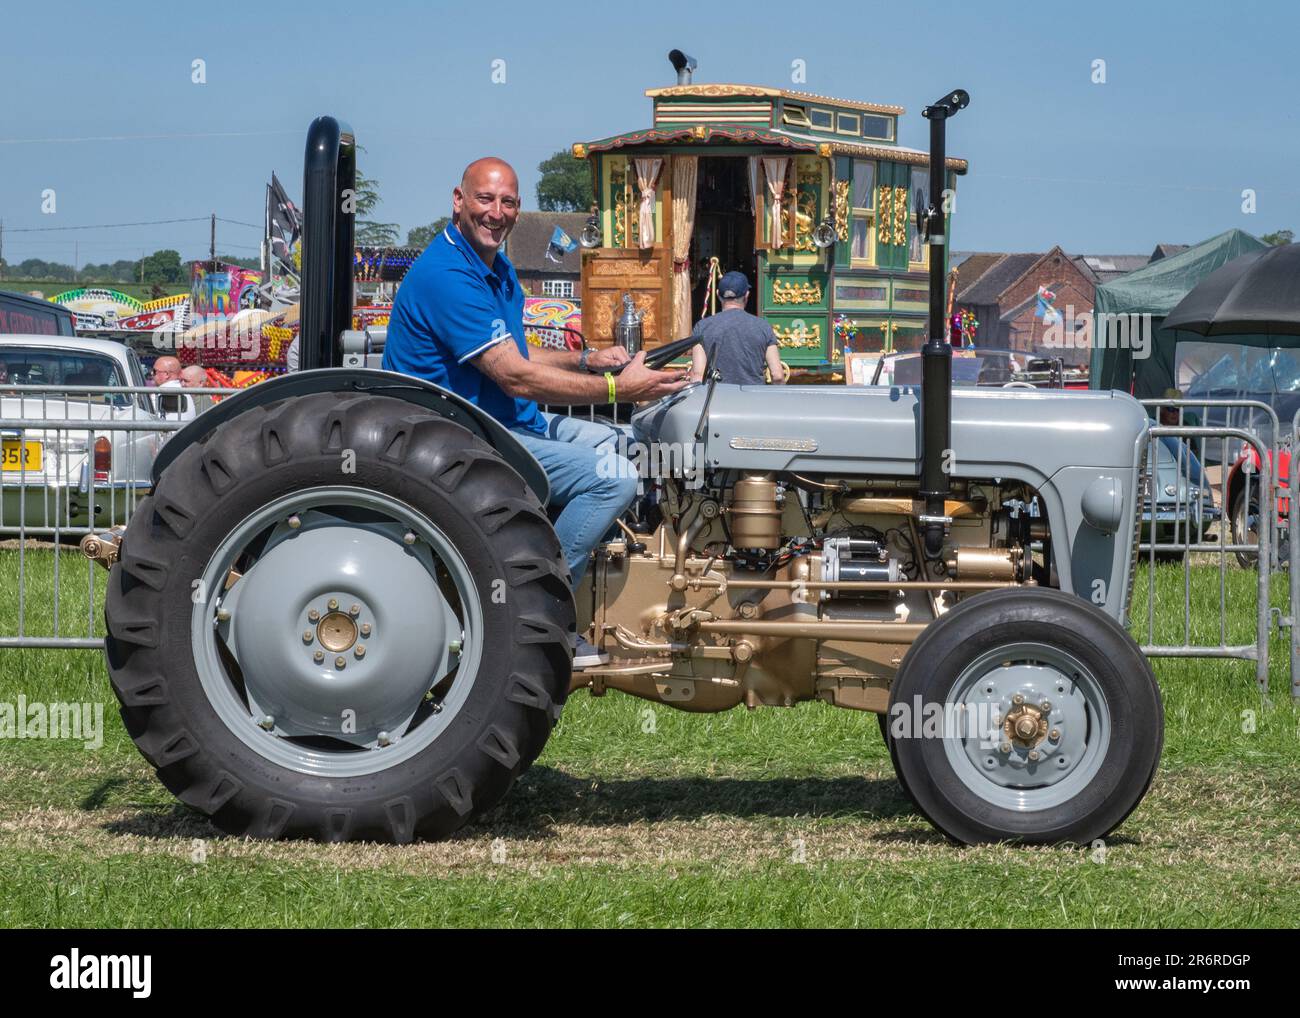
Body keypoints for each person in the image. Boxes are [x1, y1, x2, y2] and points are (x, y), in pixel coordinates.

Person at [383, 156, 688, 667]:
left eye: (507, 202)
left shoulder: (495, 266)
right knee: (611, 478)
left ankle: (644, 579)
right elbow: (514, 376)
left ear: (518, 209)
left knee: (633, 448)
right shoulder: (448, 274)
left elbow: (515, 352)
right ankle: (539, 614)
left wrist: (588, 360)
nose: (496, 212)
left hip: (510, 422)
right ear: (458, 201)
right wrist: (619, 389)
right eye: (484, 199)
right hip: (463, 437)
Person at [688, 271, 787, 385]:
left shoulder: (702, 327)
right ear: (747, 295)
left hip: (717, 399)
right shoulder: (763, 326)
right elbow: (777, 375)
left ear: (718, 294)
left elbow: (697, 375)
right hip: (754, 398)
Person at [151, 355, 196, 421]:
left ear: (166, 374)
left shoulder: (162, 393)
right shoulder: (183, 391)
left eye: (155, 371)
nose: (152, 373)